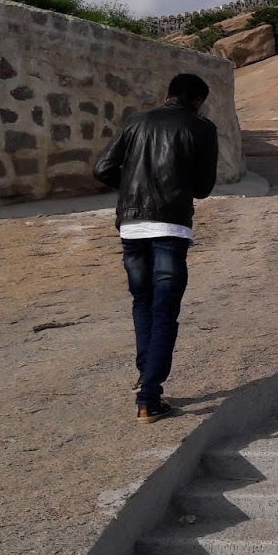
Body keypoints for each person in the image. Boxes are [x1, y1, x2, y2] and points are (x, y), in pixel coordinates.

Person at [92, 73, 220, 422]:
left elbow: (102, 168)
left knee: (142, 301)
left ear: (167, 95)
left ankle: (144, 373)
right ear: (197, 102)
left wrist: (134, 185)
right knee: (164, 310)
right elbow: (204, 188)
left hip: (131, 227)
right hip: (171, 227)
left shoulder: (136, 123)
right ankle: (149, 396)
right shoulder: (202, 128)